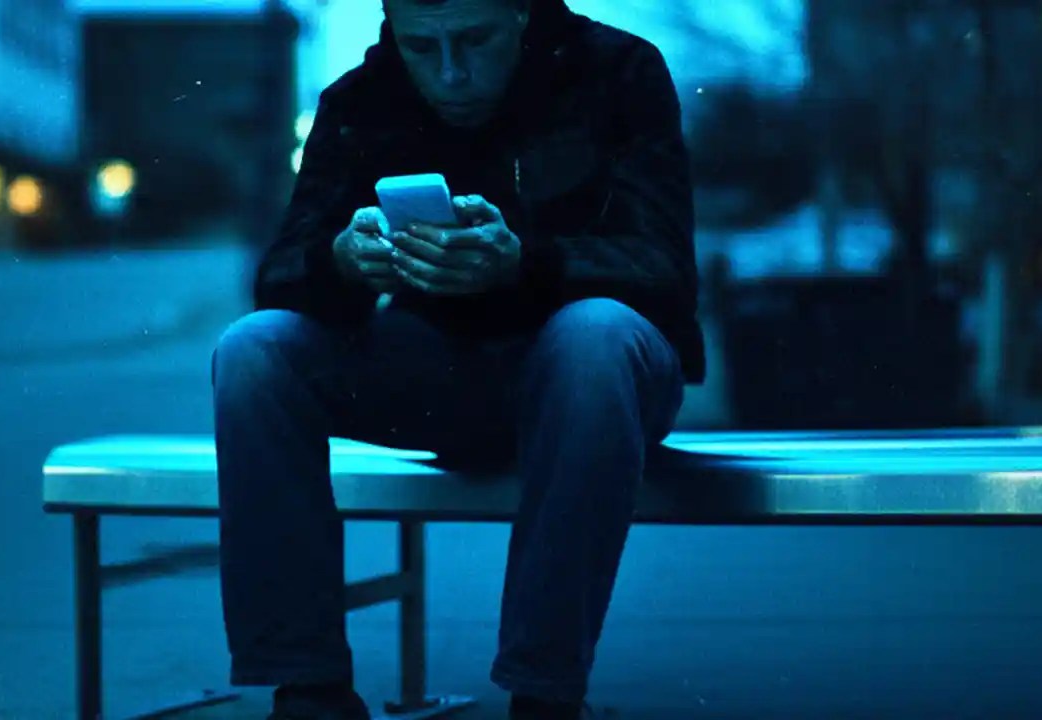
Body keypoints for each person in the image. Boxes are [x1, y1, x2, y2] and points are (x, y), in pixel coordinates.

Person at [211, 0, 705, 717]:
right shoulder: (358, 100)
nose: (451, 73)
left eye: (474, 40)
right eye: (423, 47)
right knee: (253, 349)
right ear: (391, 28)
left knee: (591, 335)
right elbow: (281, 275)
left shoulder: (618, 71)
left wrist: (524, 264)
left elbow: (664, 270)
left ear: (521, 17)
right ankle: (306, 687)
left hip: (598, 379)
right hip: (445, 374)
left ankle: (545, 692)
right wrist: (345, 262)